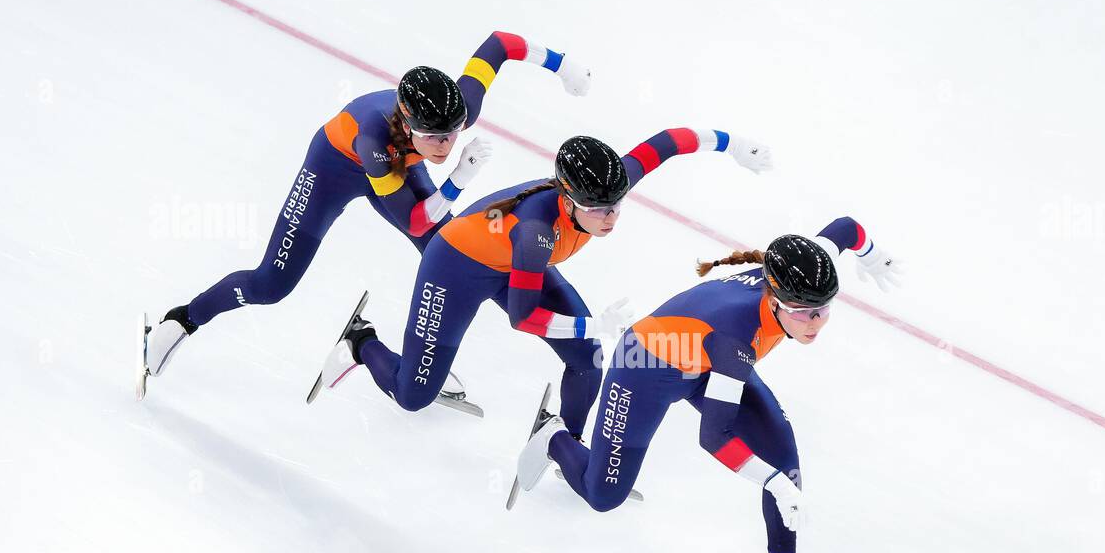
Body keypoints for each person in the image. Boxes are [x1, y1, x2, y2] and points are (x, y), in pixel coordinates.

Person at [139, 31, 591, 387]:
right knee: (271, 283)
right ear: (408, 125)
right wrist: (457, 181)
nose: (447, 145)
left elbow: (501, 45)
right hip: (337, 167)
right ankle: (183, 318)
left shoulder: (456, 109)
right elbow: (414, 218)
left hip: (398, 166)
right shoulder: (374, 139)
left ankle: (398, 358)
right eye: (435, 138)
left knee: (457, 252)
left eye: (454, 135)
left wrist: (562, 64)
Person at [513, 222, 903, 553]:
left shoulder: (803, 270)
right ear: (773, 299)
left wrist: (872, 255)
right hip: (644, 369)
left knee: (781, 447)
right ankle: (554, 436)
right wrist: (773, 483)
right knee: (602, 495)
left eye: (823, 310)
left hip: (703, 360)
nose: (815, 323)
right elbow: (714, 436)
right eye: (803, 313)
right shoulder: (737, 337)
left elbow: (844, 229)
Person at [315, 128, 772, 438]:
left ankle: (559, 439)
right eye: (597, 210)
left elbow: (668, 142)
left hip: (511, 262)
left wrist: (732, 145)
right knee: (414, 394)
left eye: (616, 205)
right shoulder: (536, 233)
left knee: (588, 362)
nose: (610, 217)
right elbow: (525, 318)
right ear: (568, 200)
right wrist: (595, 326)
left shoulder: (604, 186)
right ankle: (360, 343)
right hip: (455, 268)